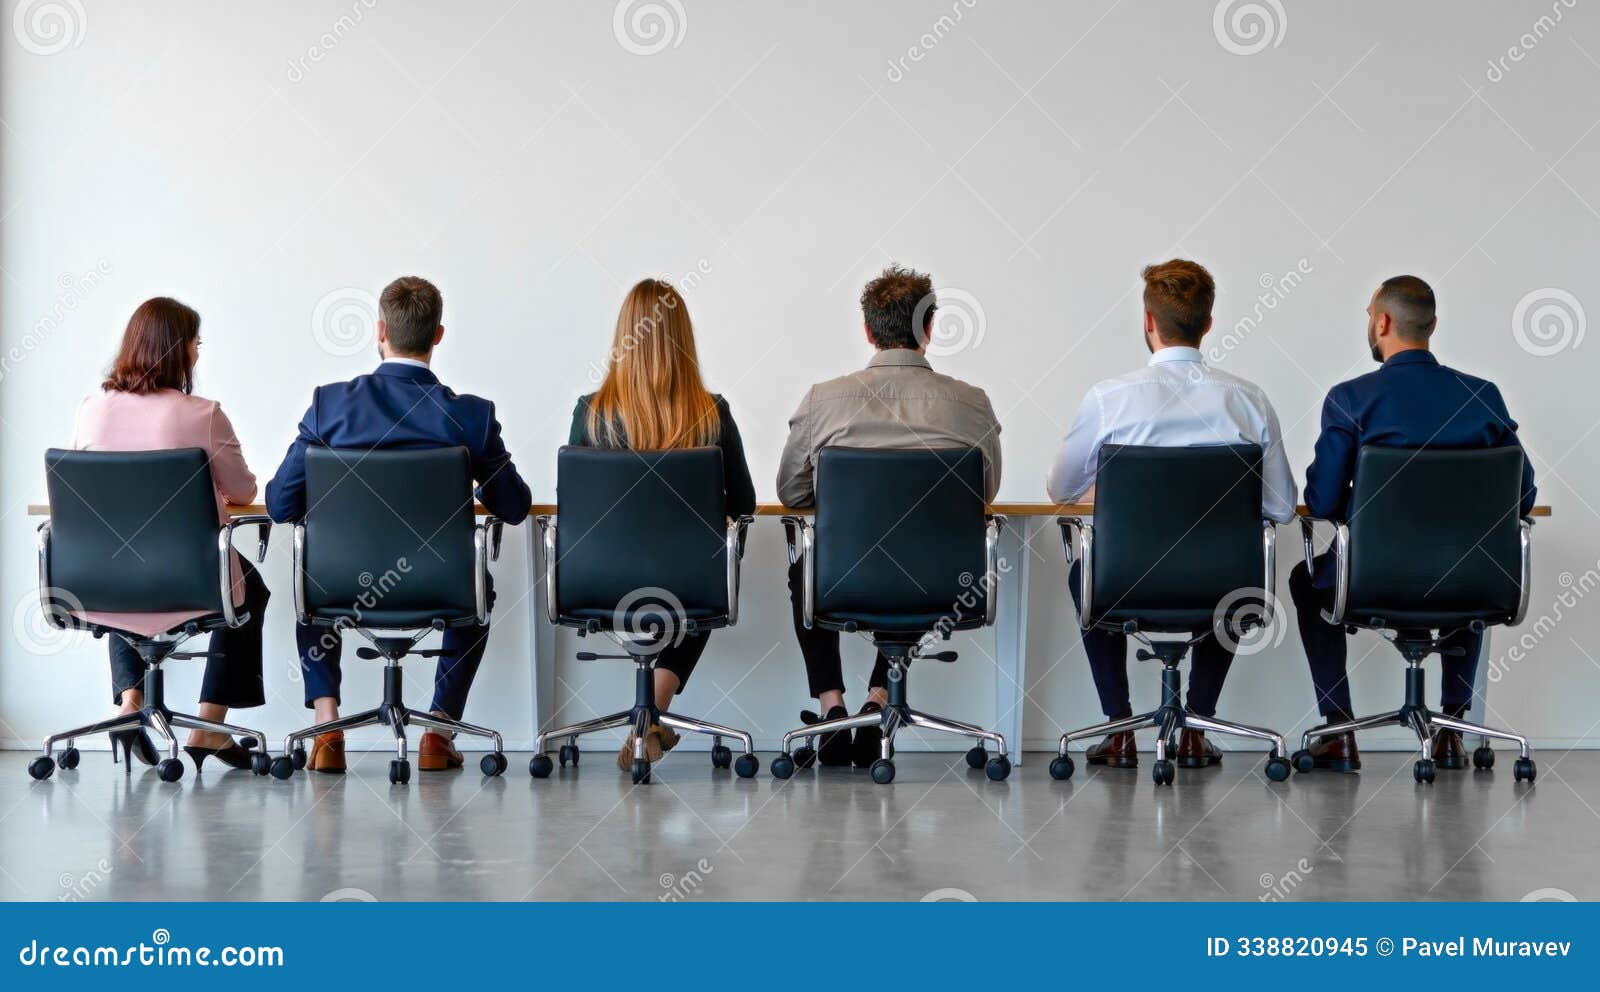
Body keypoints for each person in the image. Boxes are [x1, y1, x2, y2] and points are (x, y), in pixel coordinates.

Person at [266, 276, 531, 774]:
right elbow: (515, 507)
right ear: (438, 336)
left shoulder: (330, 407)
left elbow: (280, 504)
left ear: (379, 331)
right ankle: (438, 730)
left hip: (340, 586)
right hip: (440, 584)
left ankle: (327, 728)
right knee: (478, 588)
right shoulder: (469, 417)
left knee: (313, 575)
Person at [1046, 259, 1297, 770]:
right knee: (1231, 576)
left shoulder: (1110, 399)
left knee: (1085, 572)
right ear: (1207, 325)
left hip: (1124, 582)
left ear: (1147, 321)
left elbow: (1060, 490)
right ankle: (1197, 728)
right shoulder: (1247, 401)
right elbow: (1281, 507)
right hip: (1225, 587)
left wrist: (1120, 491)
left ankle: (1119, 729)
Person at [1290, 275, 1537, 773]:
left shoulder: (1351, 398)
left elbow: (1322, 500)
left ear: (1382, 321)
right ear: (1432, 325)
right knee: (1472, 563)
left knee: (1305, 579)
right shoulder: (1482, 396)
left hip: (1371, 580)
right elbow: (1524, 494)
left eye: (1369, 316)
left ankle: (1338, 730)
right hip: (1471, 581)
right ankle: (1450, 729)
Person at [776, 264, 1002, 768]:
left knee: (806, 563)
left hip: (842, 581)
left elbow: (791, 493)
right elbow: (984, 492)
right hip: (944, 581)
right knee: (914, 560)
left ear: (868, 330)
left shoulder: (823, 400)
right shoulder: (972, 403)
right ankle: (878, 699)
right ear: (930, 328)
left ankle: (833, 709)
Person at [71, 297, 271, 772]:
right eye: (196, 344)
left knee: (125, 579)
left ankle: (130, 703)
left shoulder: (91, 411)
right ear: (178, 350)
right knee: (251, 590)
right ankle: (208, 727)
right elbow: (243, 490)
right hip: (190, 573)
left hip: (103, 573)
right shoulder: (202, 414)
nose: (198, 354)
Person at [569, 278, 757, 772]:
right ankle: (656, 708)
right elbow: (744, 504)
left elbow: (576, 508)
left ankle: (647, 714)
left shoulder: (591, 414)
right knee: (711, 569)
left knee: (704, 568)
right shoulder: (711, 412)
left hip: (599, 580)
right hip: (689, 583)